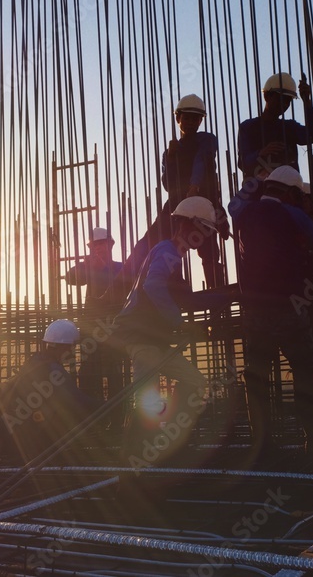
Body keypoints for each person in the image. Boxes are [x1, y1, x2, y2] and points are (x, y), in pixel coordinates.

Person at [112, 196, 227, 472]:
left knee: (195, 383)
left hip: (156, 340)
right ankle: (132, 472)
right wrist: (179, 323)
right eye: (203, 231)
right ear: (187, 225)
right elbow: (153, 287)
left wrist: (227, 296)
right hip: (143, 338)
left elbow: (183, 297)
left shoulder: (171, 254)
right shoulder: (167, 251)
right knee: (145, 403)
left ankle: (169, 440)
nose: (204, 238)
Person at [234, 165, 313, 461]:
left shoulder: (243, 213)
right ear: (291, 193)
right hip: (288, 309)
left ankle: (261, 447)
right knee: (306, 375)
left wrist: (255, 176)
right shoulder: (292, 214)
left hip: (254, 312)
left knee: (256, 380)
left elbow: (235, 202)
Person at [111, 95, 230, 296]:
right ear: (178, 119)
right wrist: (173, 157)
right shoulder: (170, 152)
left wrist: (194, 186)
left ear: (201, 120)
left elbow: (201, 161)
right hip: (176, 207)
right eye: (187, 118)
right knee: (149, 244)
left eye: (196, 118)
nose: (191, 122)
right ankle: (116, 290)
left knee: (209, 252)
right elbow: (167, 184)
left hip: (205, 205)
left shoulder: (206, 140)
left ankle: (216, 292)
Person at [0, 319, 100, 463]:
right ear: (63, 347)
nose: (74, 351)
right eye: (72, 346)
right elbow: (78, 401)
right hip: (29, 441)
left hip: (12, 436)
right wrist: (109, 404)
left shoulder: (35, 361)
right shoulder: (54, 371)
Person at [65, 227, 126, 427]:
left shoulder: (120, 268)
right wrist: (88, 267)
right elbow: (71, 278)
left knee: (115, 374)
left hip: (114, 330)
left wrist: (103, 270)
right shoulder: (88, 267)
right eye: (95, 245)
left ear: (111, 245)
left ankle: (117, 421)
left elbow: (127, 284)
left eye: (102, 244)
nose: (99, 248)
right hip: (91, 330)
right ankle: (96, 421)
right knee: (90, 374)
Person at [237, 72, 313, 181]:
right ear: (267, 96)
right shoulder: (248, 127)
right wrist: (261, 153)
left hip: (288, 191)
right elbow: (243, 163)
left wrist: (307, 102)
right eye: (281, 99)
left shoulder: (289, 128)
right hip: (257, 191)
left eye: (288, 101)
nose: (285, 104)